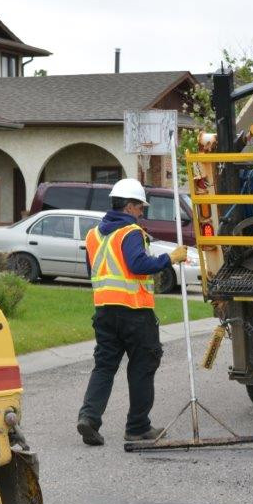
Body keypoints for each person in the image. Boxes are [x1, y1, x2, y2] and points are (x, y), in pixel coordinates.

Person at [77, 178, 187, 446]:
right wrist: (169, 259)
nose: (142, 213)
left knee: (104, 366)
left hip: (104, 311)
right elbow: (137, 264)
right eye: (140, 208)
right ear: (128, 207)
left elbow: (93, 269)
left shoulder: (94, 235)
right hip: (135, 312)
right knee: (142, 366)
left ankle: (89, 418)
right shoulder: (130, 232)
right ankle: (138, 427)